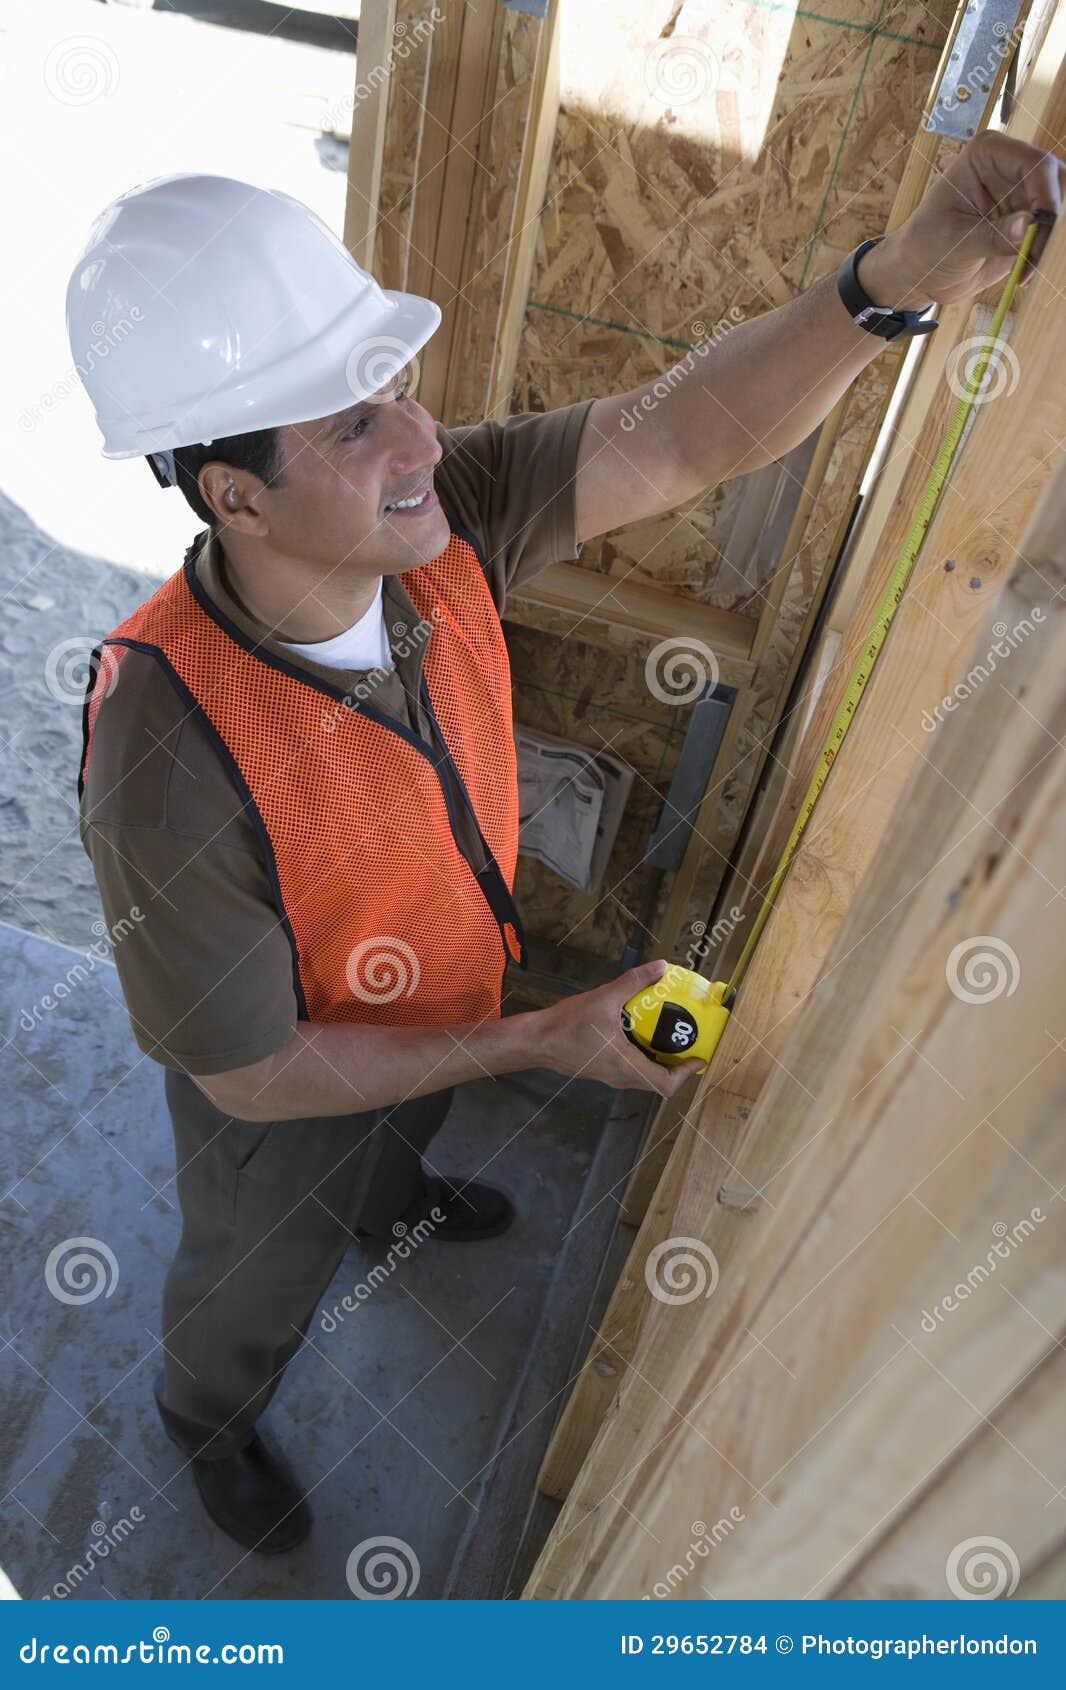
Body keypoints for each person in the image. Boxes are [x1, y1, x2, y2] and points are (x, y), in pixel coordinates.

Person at [69, 138, 1061, 1555]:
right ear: (234, 494)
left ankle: (393, 1201)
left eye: (395, 390)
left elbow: (673, 434)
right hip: (280, 1101)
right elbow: (255, 1064)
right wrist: (542, 1043)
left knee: (406, 1131)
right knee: (258, 1269)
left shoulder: (436, 516)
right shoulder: (160, 751)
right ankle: (206, 1414)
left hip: (436, 999)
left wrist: (886, 285)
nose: (419, 440)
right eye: (353, 426)